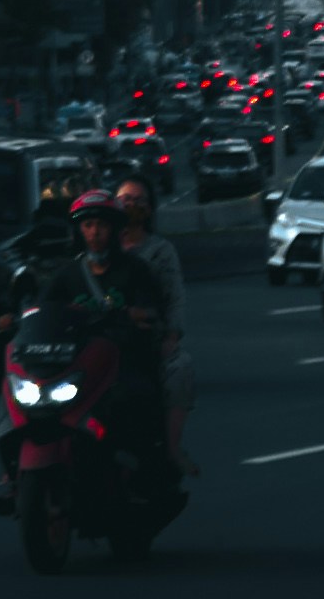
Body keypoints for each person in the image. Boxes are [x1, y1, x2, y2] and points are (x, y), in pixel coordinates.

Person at [106, 179, 196, 476]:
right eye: (124, 199)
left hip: (143, 339)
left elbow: (175, 298)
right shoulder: (97, 249)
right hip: (98, 340)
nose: (130, 205)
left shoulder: (159, 252)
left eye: (138, 200)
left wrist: (171, 335)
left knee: (178, 368)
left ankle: (171, 449)